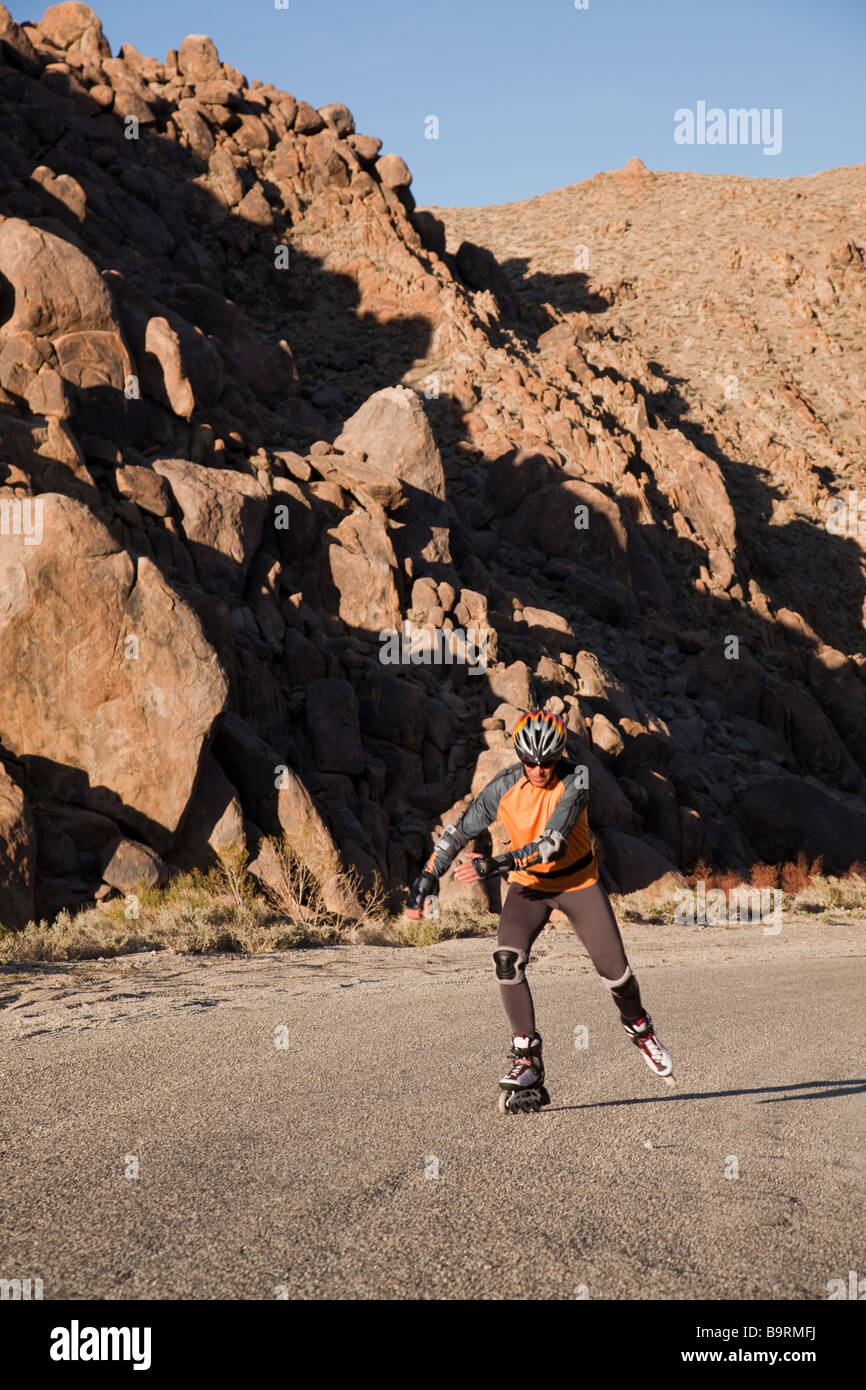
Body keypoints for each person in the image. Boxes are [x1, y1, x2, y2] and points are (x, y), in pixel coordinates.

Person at [405, 708, 674, 1112]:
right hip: (529, 889)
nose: (538, 769)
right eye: (530, 761)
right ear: (520, 757)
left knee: (616, 976)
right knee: (506, 961)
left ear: (558, 756)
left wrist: (492, 865)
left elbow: (552, 845)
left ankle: (639, 1028)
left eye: (546, 761)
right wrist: (427, 877)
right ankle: (527, 1058)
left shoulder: (576, 779)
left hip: (577, 884)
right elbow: (459, 831)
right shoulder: (505, 785)